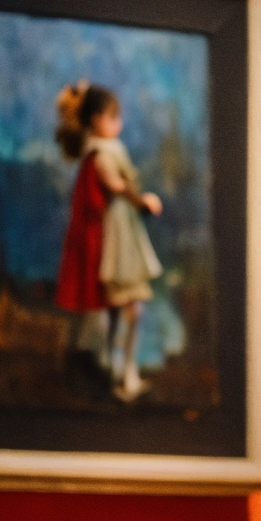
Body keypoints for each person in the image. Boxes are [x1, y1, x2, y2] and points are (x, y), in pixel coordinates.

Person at [53, 82, 164, 403]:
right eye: (112, 117)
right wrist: (142, 201)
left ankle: (123, 370)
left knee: (125, 309)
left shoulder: (107, 150)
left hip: (121, 231)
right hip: (115, 236)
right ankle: (120, 371)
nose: (119, 123)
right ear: (95, 120)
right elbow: (116, 186)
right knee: (127, 307)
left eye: (118, 116)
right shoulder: (100, 154)